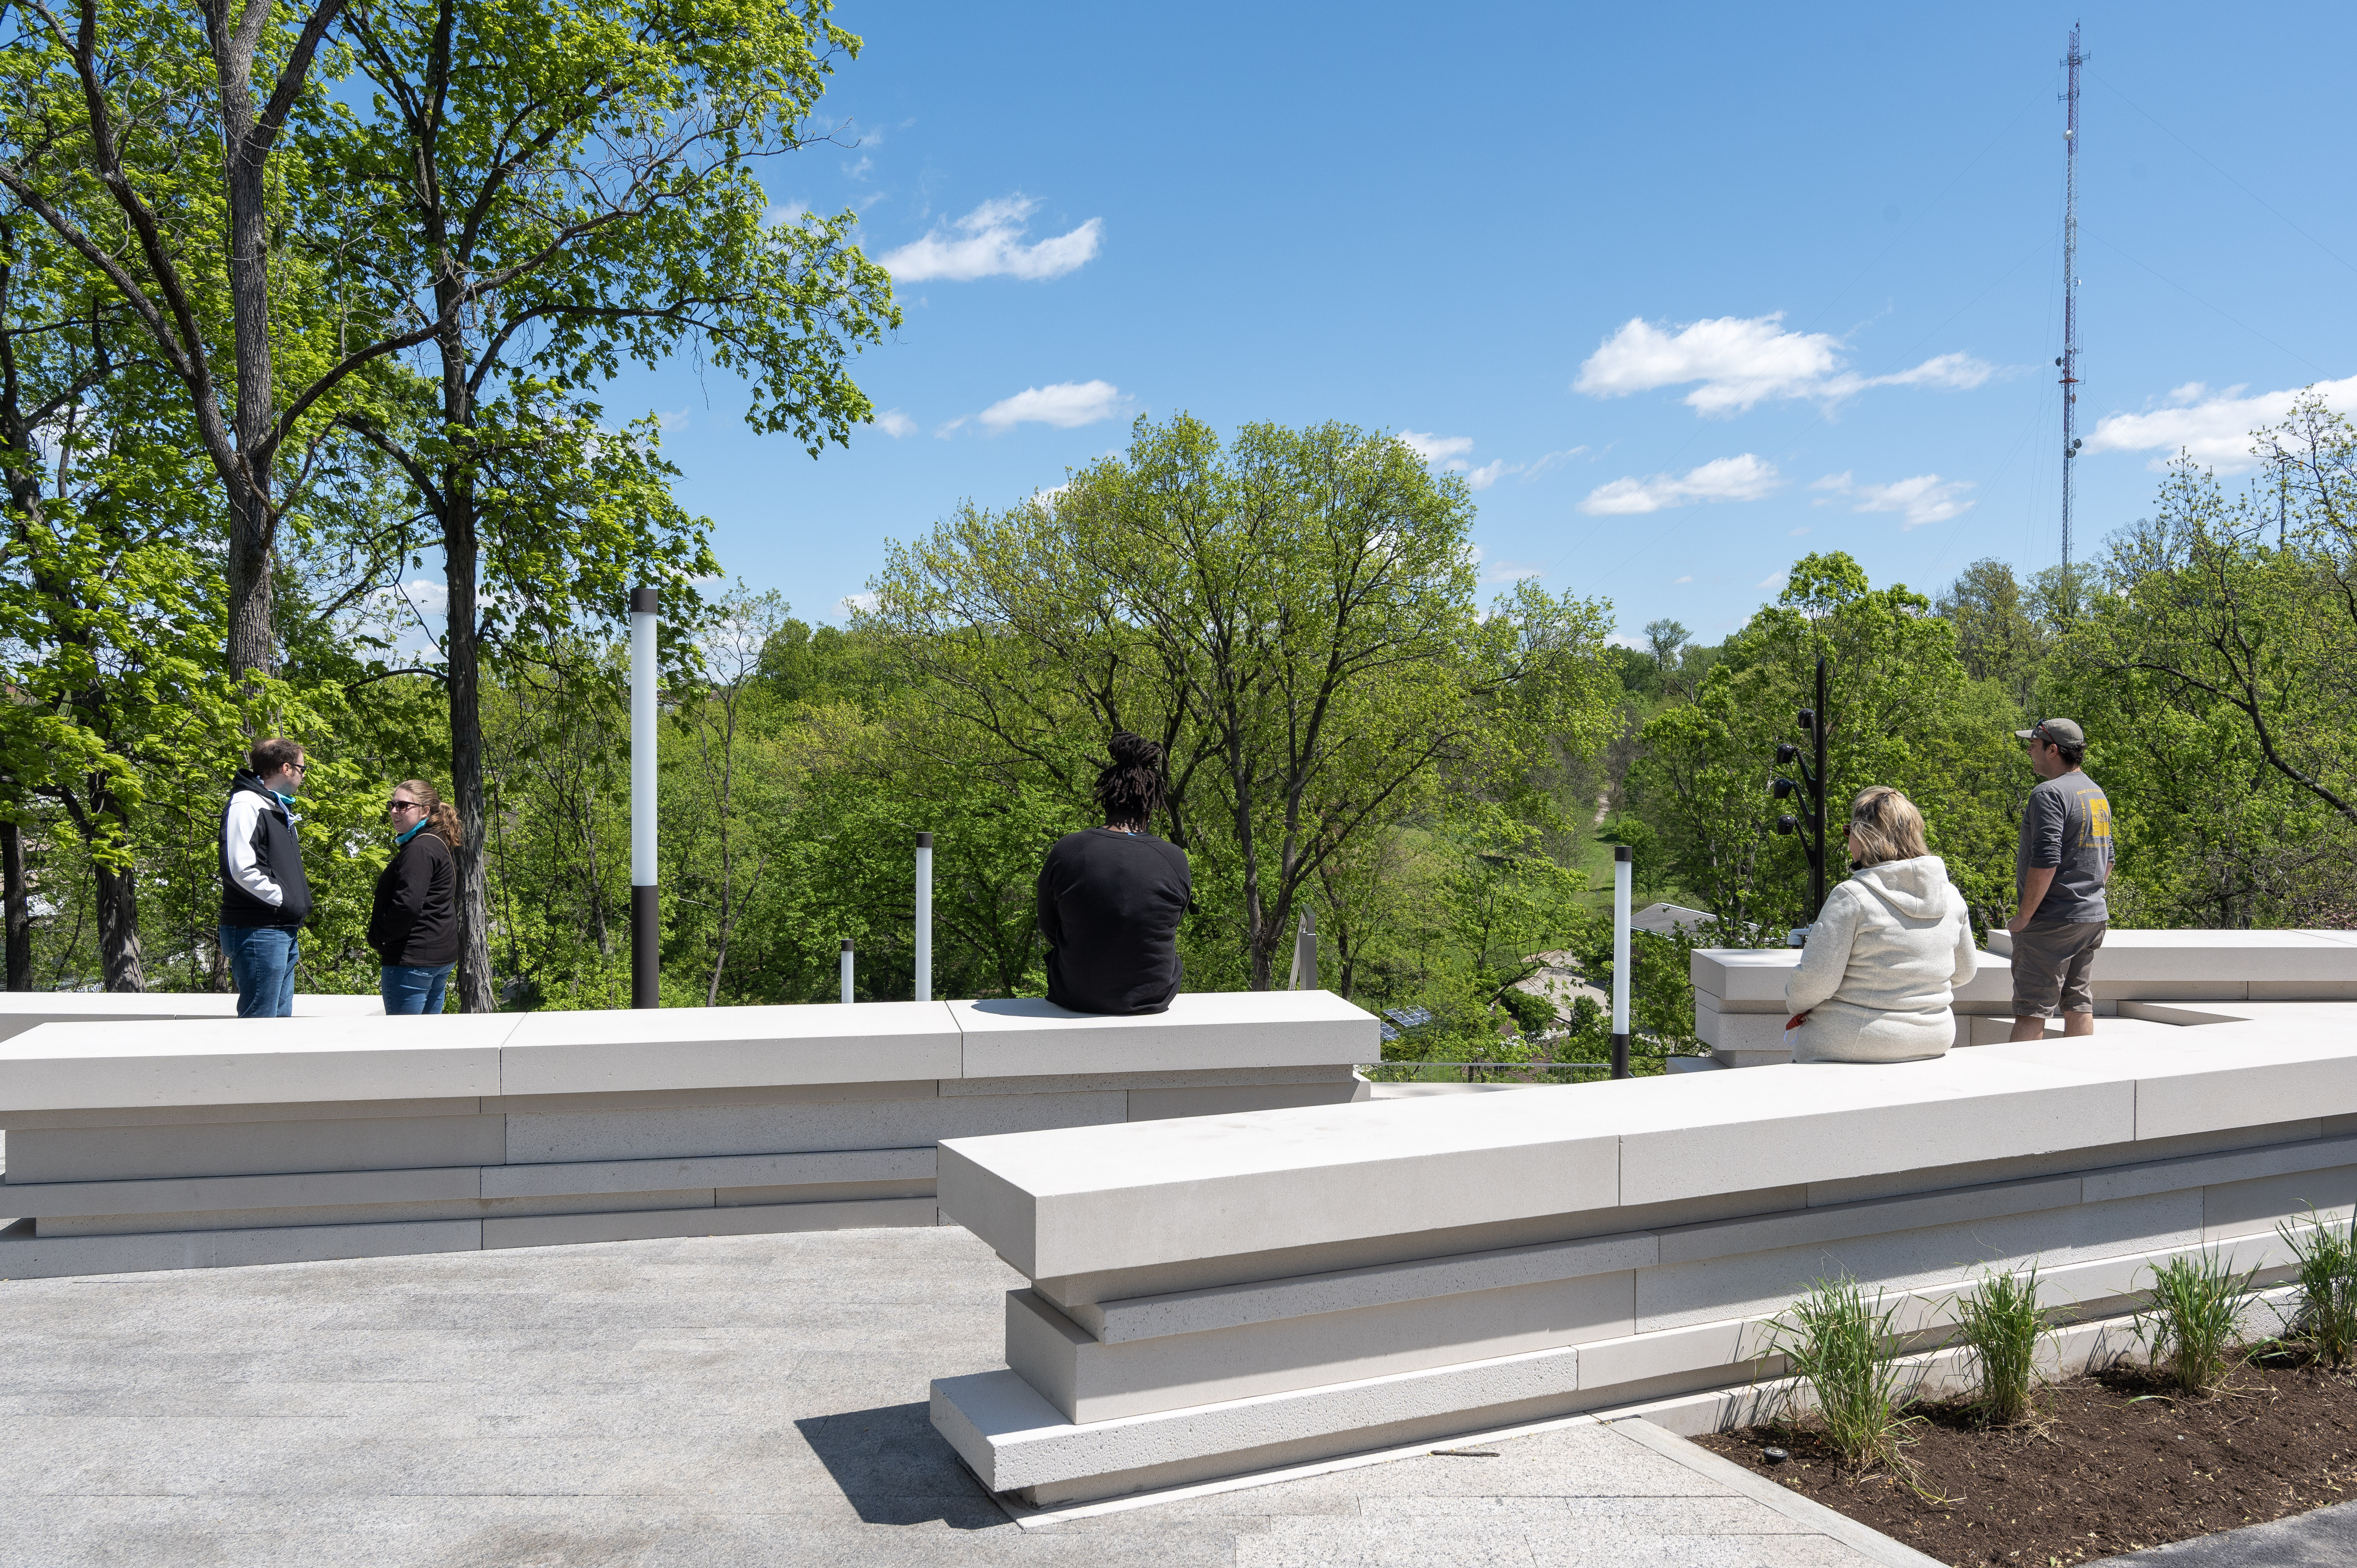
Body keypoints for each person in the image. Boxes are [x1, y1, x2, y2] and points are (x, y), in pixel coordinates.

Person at [1781, 786, 1978, 1064]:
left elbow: (1816, 982)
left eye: (1849, 832)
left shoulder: (1852, 896)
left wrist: (1794, 1002)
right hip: (1934, 1037)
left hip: (1854, 1042)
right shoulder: (1951, 896)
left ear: (1863, 835)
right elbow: (1965, 972)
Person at [1037, 732, 1191, 1015]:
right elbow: (1166, 924)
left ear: (1106, 800)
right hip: (1152, 997)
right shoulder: (1174, 858)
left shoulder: (1068, 850)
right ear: (1150, 807)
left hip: (1075, 993)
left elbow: (1049, 927)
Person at [2006, 718, 2112, 1041]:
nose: (2029, 751)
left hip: (2051, 922)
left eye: (2034, 745)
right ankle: (2083, 1083)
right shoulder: (2096, 793)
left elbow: (2046, 859)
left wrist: (2025, 917)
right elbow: (2109, 859)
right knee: (2079, 1002)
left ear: (2053, 750)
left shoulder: (2048, 794)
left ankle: (2020, 1089)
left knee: (2032, 1008)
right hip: (2091, 917)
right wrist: (2088, 895)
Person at [219, 737, 313, 1018]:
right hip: (259, 930)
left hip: (281, 928)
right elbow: (240, 868)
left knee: (279, 1025)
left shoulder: (277, 808)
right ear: (286, 768)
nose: (303, 776)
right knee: (259, 1025)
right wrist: (285, 900)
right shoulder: (246, 804)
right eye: (302, 769)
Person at [368, 779, 463, 1014]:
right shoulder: (435, 842)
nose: (394, 811)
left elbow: (407, 906)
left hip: (413, 960)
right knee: (425, 1043)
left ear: (425, 811)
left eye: (403, 806)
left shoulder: (419, 850)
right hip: (436, 956)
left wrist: (379, 937)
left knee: (404, 1044)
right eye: (392, 805)